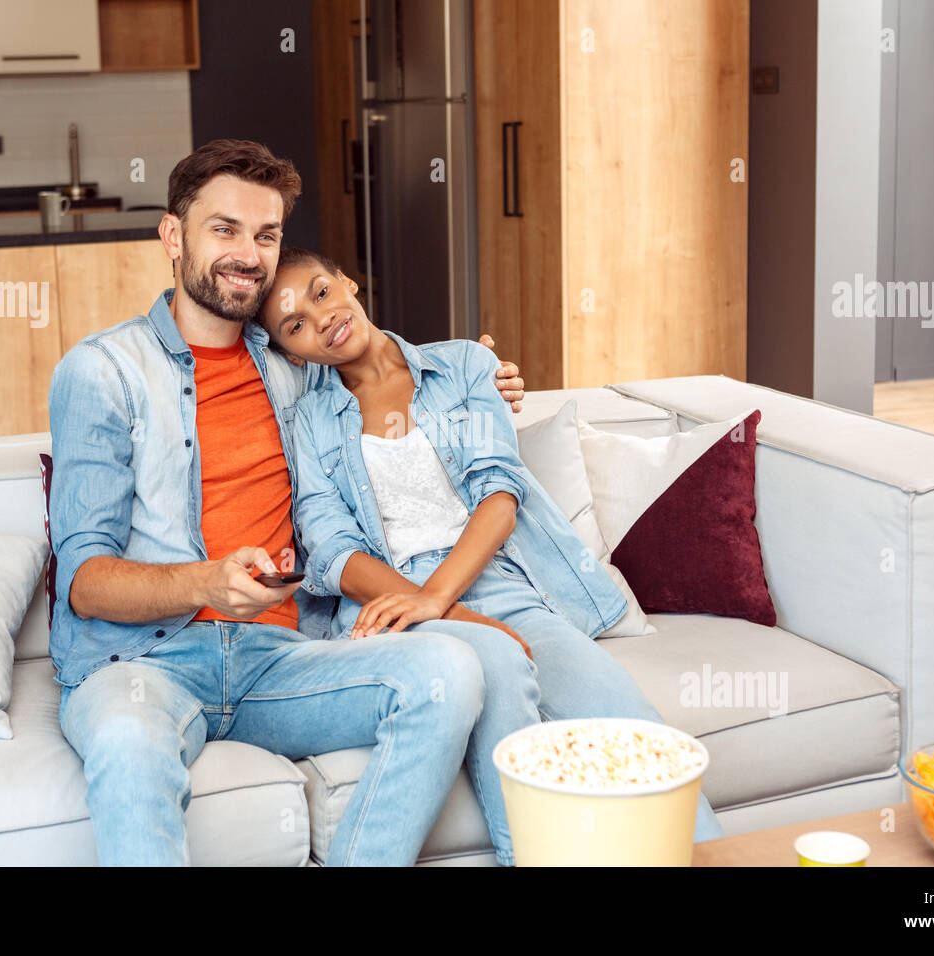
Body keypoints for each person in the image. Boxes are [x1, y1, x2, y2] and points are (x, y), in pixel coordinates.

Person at [47, 139, 528, 866]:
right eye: (225, 229)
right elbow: (84, 580)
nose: (248, 254)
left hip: (282, 657)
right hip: (143, 664)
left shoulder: (292, 365)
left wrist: (479, 374)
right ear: (174, 237)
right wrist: (206, 583)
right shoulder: (102, 373)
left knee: (450, 672)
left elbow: (380, 365)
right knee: (125, 739)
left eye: (265, 235)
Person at [256, 247, 726, 863]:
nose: (320, 319)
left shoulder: (465, 366)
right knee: (500, 669)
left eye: (321, 292)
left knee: (633, 728)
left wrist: (440, 597)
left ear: (347, 282)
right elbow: (332, 548)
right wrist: (428, 607)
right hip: (387, 602)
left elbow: (501, 495)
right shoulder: (307, 424)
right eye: (294, 325)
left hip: (496, 581)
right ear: (293, 353)